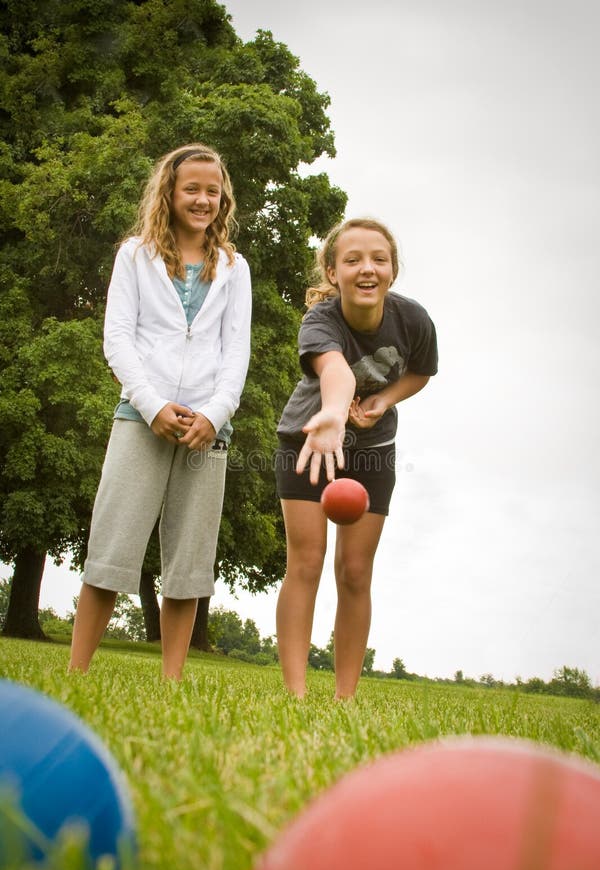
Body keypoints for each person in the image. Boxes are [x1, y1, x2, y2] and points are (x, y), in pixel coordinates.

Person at [69, 143, 252, 679]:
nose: (202, 199)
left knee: (190, 565)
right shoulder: (134, 255)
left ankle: (171, 682)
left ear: (223, 198)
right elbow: (118, 339)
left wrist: (214, 416)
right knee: (110, 550)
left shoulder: (234, 268)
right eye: (191, 189)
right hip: (141, 418)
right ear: (169, 193)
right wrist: (151, 406)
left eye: (212, 191)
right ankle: (77, 671)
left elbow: (235, 350)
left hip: (206, 430)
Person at [275, 217, 438, 699]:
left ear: (392, 270)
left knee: (355, 571)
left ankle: (345, 698)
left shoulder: (413, 320)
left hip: (372, 451)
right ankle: (296, 694)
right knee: (305, 561)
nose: (366, 269)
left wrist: (383, 402)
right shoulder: (320, 321)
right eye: (352, 260)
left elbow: (420, 373)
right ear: (332, 272)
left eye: (378, 259)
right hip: (310, 442)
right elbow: (336, 373)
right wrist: (331, 415)